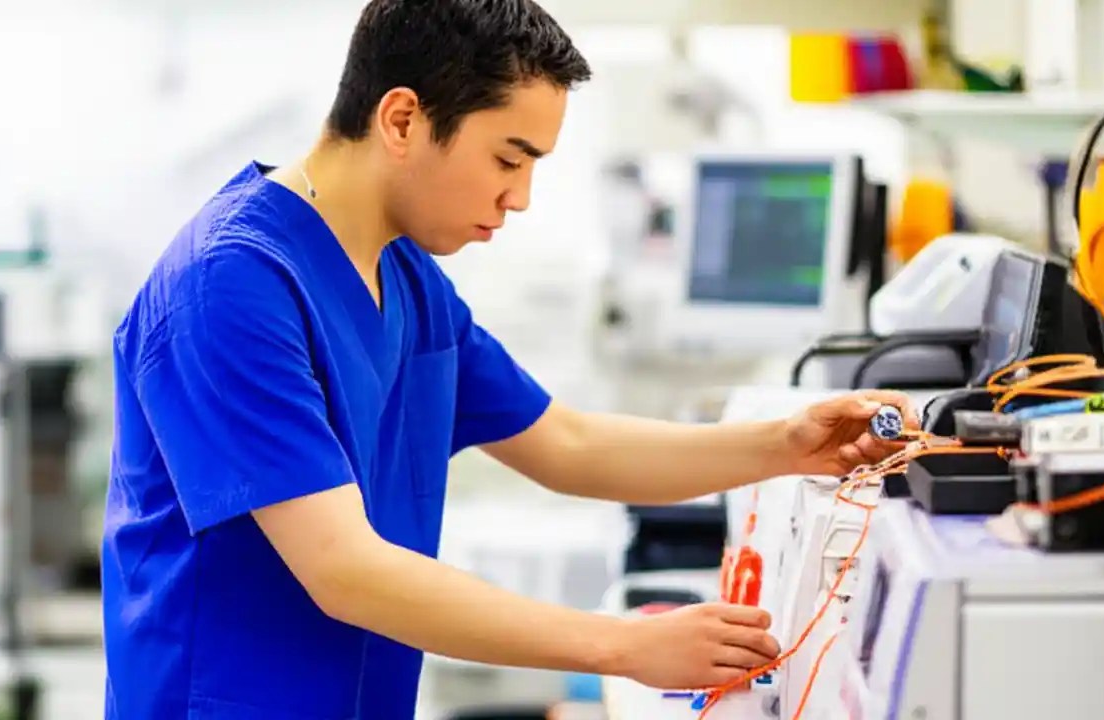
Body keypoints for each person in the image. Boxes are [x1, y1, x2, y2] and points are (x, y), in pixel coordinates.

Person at [99, 1, 919, 718]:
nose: (518, 197)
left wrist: (784, 445)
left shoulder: (404, 275)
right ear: (401, 120)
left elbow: (565, 445)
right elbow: (341, 568)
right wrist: (621, 648)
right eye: (508, 158)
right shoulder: (230, 285)